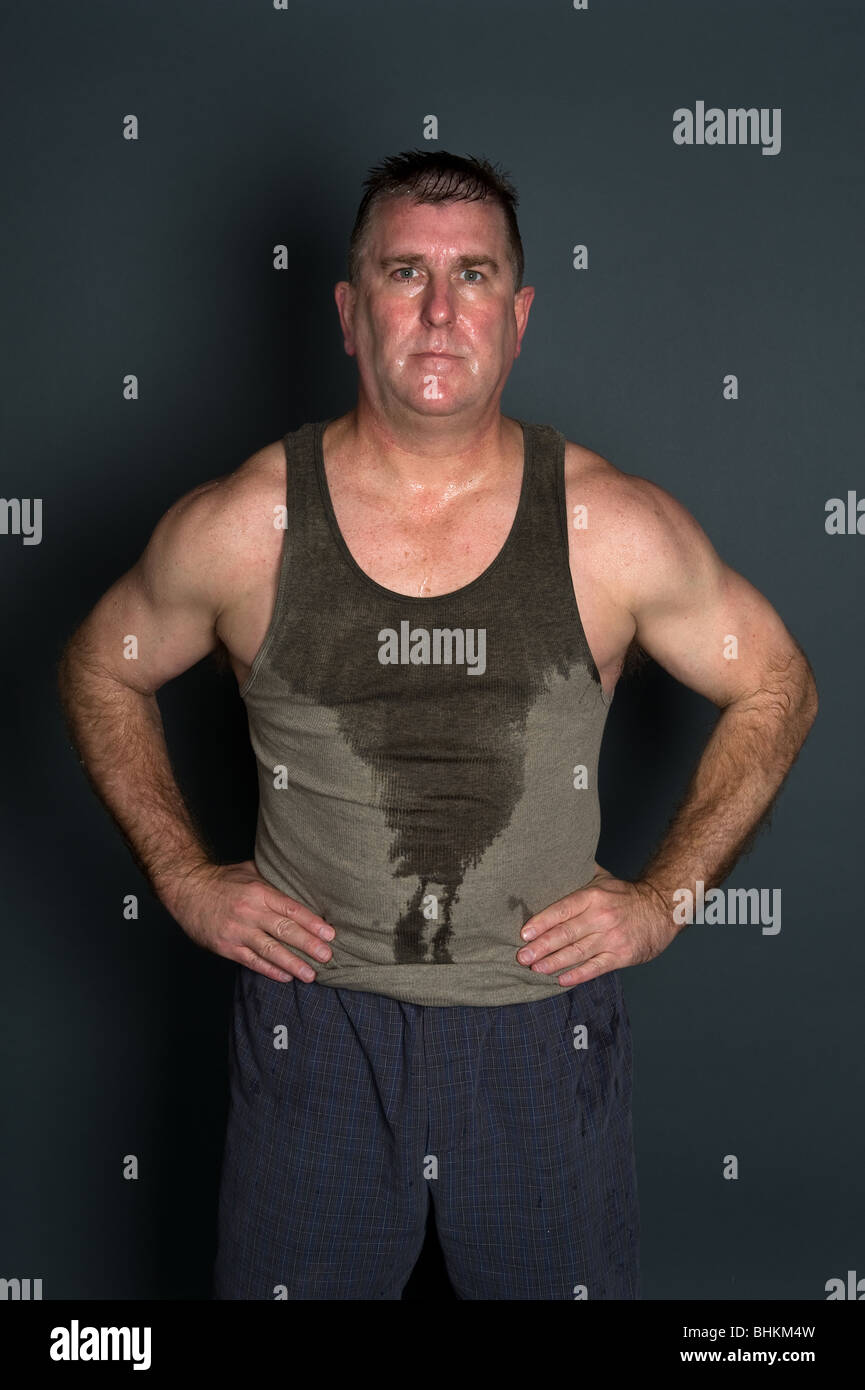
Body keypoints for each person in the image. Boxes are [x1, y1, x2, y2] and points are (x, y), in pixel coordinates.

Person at [57, 149, 818, 1301]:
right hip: (314, 1036)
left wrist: (664, 901)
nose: (437, 310)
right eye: (403, 272)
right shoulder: (249, 522)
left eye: (472, 277)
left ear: (517, 315)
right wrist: (180, 874)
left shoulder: (606, 526)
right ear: (349, 311)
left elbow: (776, 685)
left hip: (538, 1041)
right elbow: (98, 670)